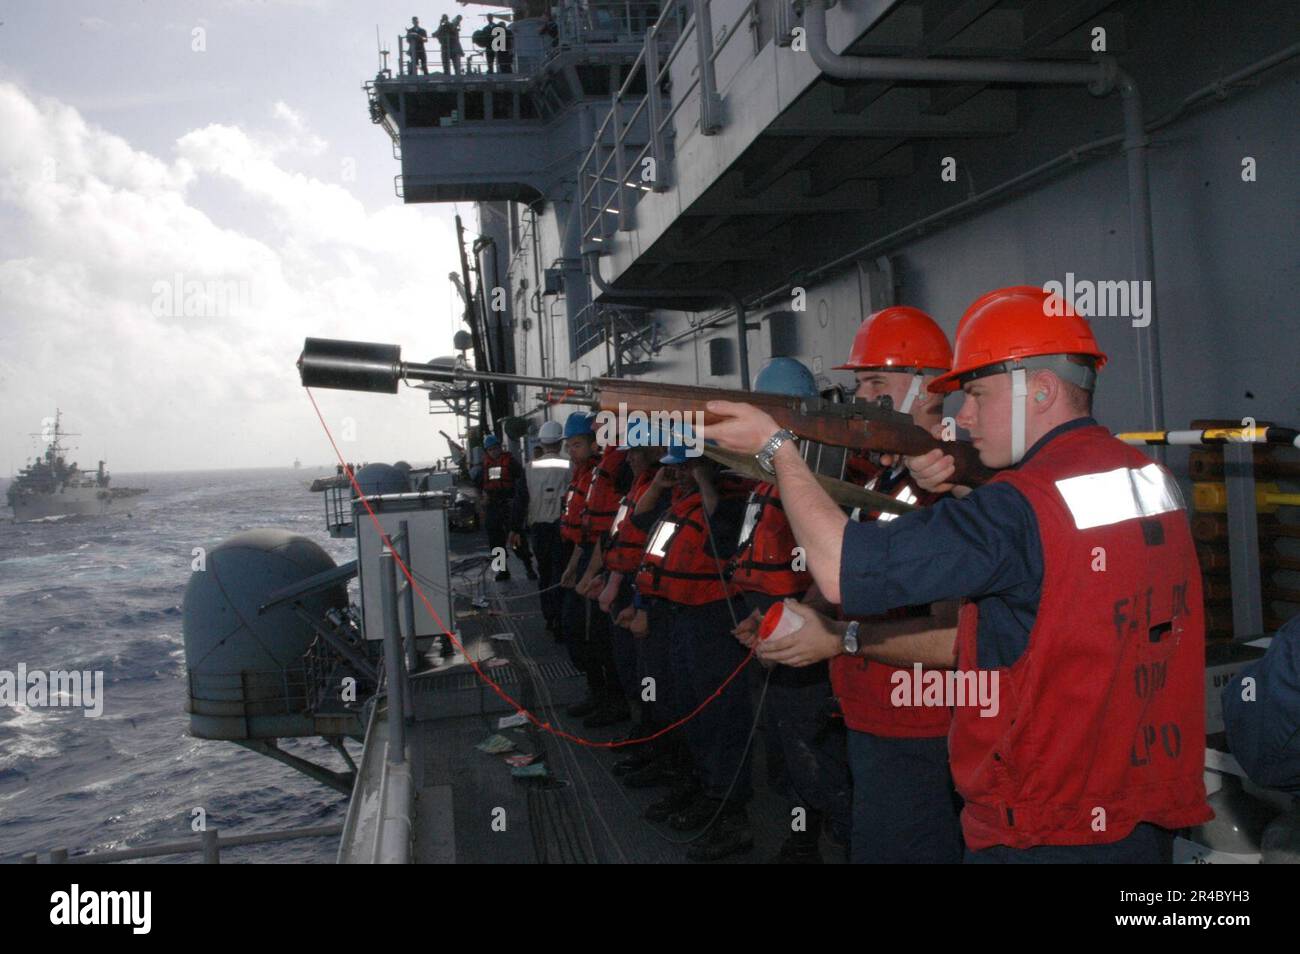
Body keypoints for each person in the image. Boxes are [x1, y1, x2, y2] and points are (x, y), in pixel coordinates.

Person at [707, 285, 1212, 862]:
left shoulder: (1016, 505)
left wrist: (777, 450)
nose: (962, 415)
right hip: (1137, 809)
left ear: (1041, 390)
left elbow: (842, 569)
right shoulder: (1149, 476)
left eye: (976, 393)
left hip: (1040, 825)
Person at [727, 358, 852, 863]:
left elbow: (836, 568)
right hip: (775, 615)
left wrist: (792, 621)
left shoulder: (825, 476)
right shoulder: (769, 476)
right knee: (786, 743)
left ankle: (840, 841)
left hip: (813, 626)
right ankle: (803, 838)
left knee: (815, 746)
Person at [625, 442, 756, 861]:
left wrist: (704, 482)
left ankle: (732, 816)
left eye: (684, 468)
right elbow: (640, 522)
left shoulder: (731, 503)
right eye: (674, 469)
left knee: (721, 719)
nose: (677, 476)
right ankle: (701, 788)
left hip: (715, 621)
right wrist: (665, 483)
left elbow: (724, 537)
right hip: (679, 618)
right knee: (688, 709)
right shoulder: (676, 505)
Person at [558, 411, 623, 725]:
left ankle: (613, 700)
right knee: (578, 633)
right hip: (585, 556)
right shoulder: (585, 475)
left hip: (603, 561)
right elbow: (583, 531)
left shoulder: (605, 473)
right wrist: (572, 566)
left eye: (578, 444)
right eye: (569, 446)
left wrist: (587, 572)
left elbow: (604, 531)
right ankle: (598, 692)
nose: (572, 451)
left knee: (598, 637)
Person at [512, 420, 569, 638]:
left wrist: (514, 529)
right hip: (562, 529)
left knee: (544, 574)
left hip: (539, 530)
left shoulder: (529, 468)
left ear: (542, 443)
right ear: (560, 442)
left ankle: (550, 618)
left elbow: (520, 501)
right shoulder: (570, 465)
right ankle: (562, 618)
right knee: (562, 574)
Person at [477, 434, 534, 581]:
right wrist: (483, 499)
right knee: (495, 541)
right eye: (491, 449)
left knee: (517, 537)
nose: (494, 451)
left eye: (496, 448)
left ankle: (529, 567)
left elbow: (521, 481)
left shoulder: (511, 463)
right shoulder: (483, 467)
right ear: (487, 451)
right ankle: (502, 571)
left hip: (509, 505)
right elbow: (479, 486)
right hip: (492, 507)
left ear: (500, 448)